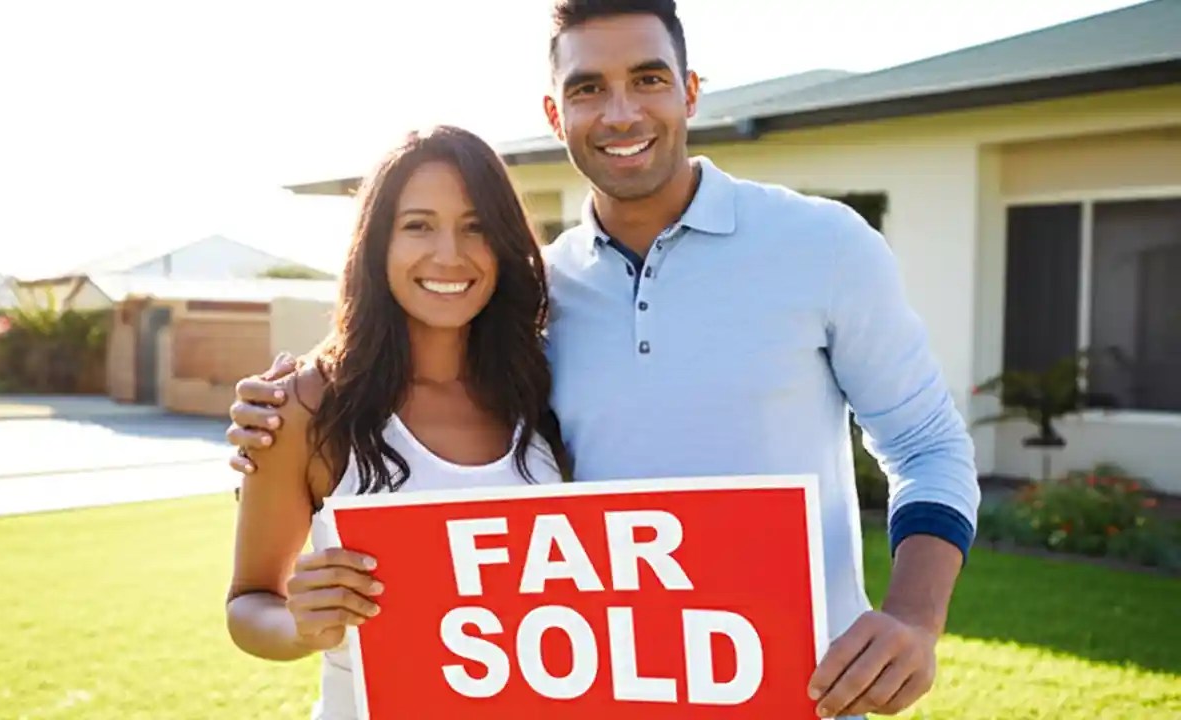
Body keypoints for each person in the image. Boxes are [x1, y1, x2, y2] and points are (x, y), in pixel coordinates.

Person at [227, 1, 981, 717]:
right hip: (601, 700)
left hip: (800, 697)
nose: (621, 113)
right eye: (589, 88)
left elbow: (927, 443)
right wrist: (278, 424)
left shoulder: (823, 245)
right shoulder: (530, 300)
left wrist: (914, 617)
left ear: (689, 91)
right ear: (556, 114)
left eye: (648, 79)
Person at [224, 125, 568, 720]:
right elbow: (248, 603)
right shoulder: (306, 405)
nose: (449, 255)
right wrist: (302, 627)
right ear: (376, 243)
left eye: (475, 227)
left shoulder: (539, 387)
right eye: (418, 225)